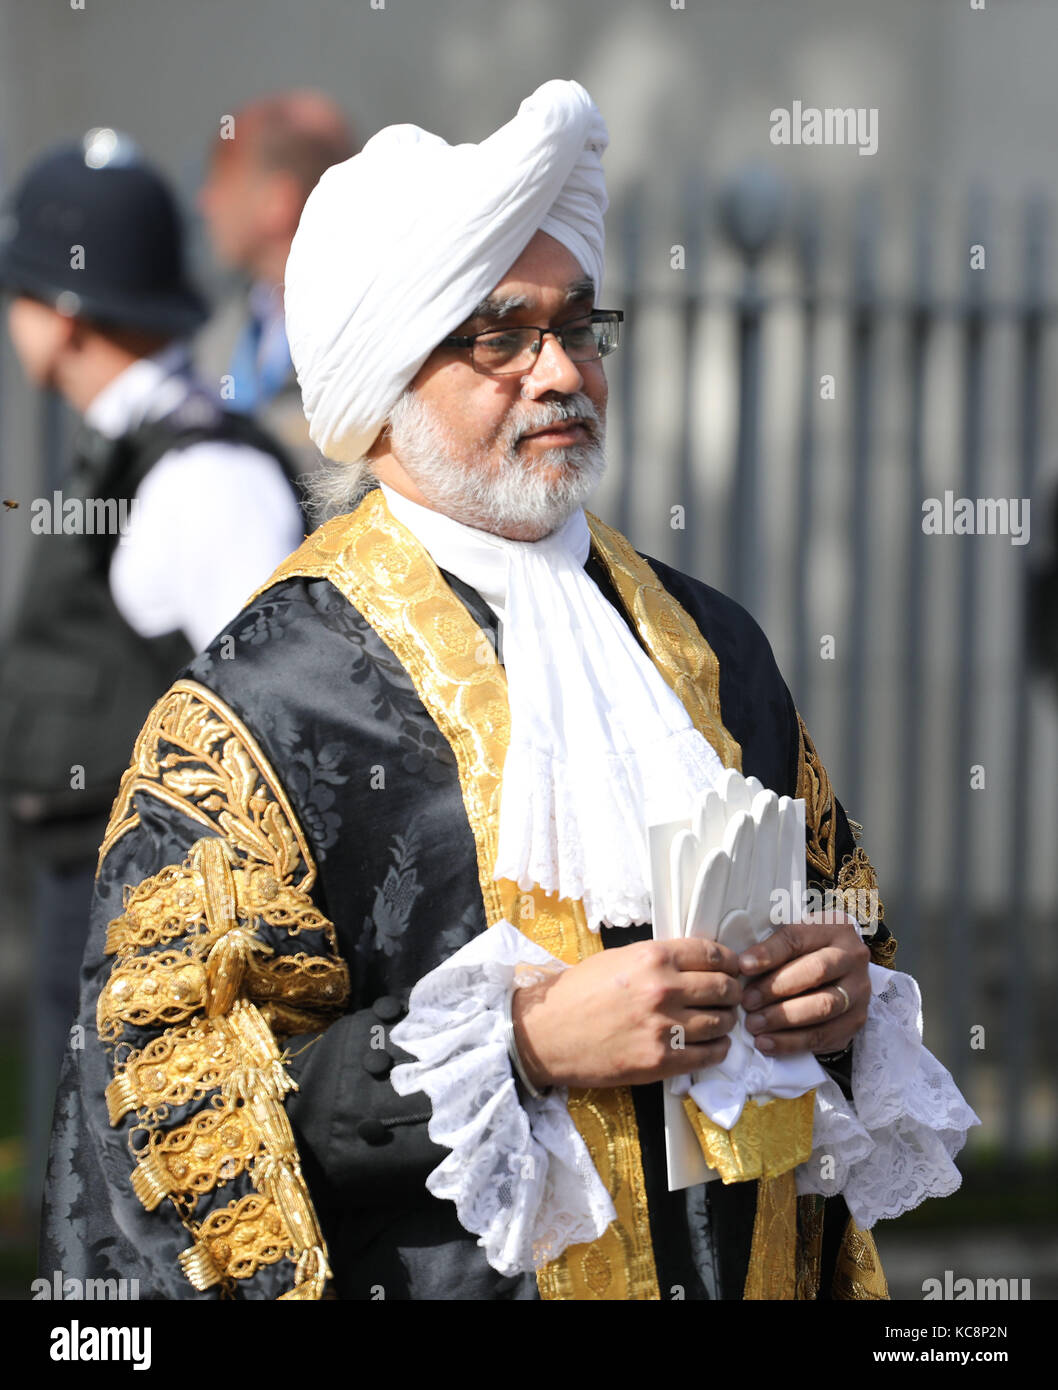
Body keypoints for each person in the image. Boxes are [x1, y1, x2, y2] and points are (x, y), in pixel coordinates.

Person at [40, 83, 977, 1301]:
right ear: (385, 379)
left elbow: (843, 937)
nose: (560, 371)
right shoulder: (262, 707)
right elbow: (174, 1112)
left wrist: (836, 998)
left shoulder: (711, 646)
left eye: (578, 326)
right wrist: (529, 1045)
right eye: (500, 335)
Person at [0, 128, 306, 1210]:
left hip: (151, 952)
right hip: (80, 913)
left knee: (127, 1229)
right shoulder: (130, 454)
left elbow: (287, 730)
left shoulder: (205, 473)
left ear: (66, 309)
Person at [195, 91, 356, 474]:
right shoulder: (221, 334)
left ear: (277, 201)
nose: (206, 202)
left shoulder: (361, 333)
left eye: (224, 181)